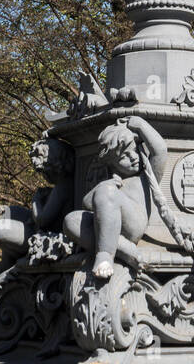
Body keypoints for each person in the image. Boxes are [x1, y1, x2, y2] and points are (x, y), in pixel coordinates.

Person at [63, 115, 167, 279]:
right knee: (71, 221)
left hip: (134, 223)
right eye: (124, 156)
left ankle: (105, 254)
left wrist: (140, 125)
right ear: (111, 163)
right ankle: (124, 249)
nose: (133, 157)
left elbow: (160, 151)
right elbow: (87, 204)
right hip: (109, 225)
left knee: (107, 194)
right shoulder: (110, 184)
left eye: (134, 151)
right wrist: (105, 186)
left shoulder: (144, 178)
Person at [0, 133, 74, 265]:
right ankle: (5, 262)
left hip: (46, 234)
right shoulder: (64, 185)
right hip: (42, 228)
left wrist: (36, 200)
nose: (44, 176)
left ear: (52, 167)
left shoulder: (62, 188)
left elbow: (42, 220)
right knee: (8, 212)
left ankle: (8, 263)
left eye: (43, 172)